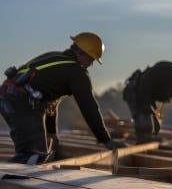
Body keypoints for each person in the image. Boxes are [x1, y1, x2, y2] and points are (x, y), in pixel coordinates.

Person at [0, 32, 127, 164]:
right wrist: (105, 140)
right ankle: (6, 178)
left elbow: (50, 103)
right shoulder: (76, 72)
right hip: (20, 103)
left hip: (7, 98)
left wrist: (51, 133)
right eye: (91, 59)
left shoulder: (54, 58)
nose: (91, 64)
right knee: (32, 156)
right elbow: (89, 108)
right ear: (81, 53)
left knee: (33, 154)